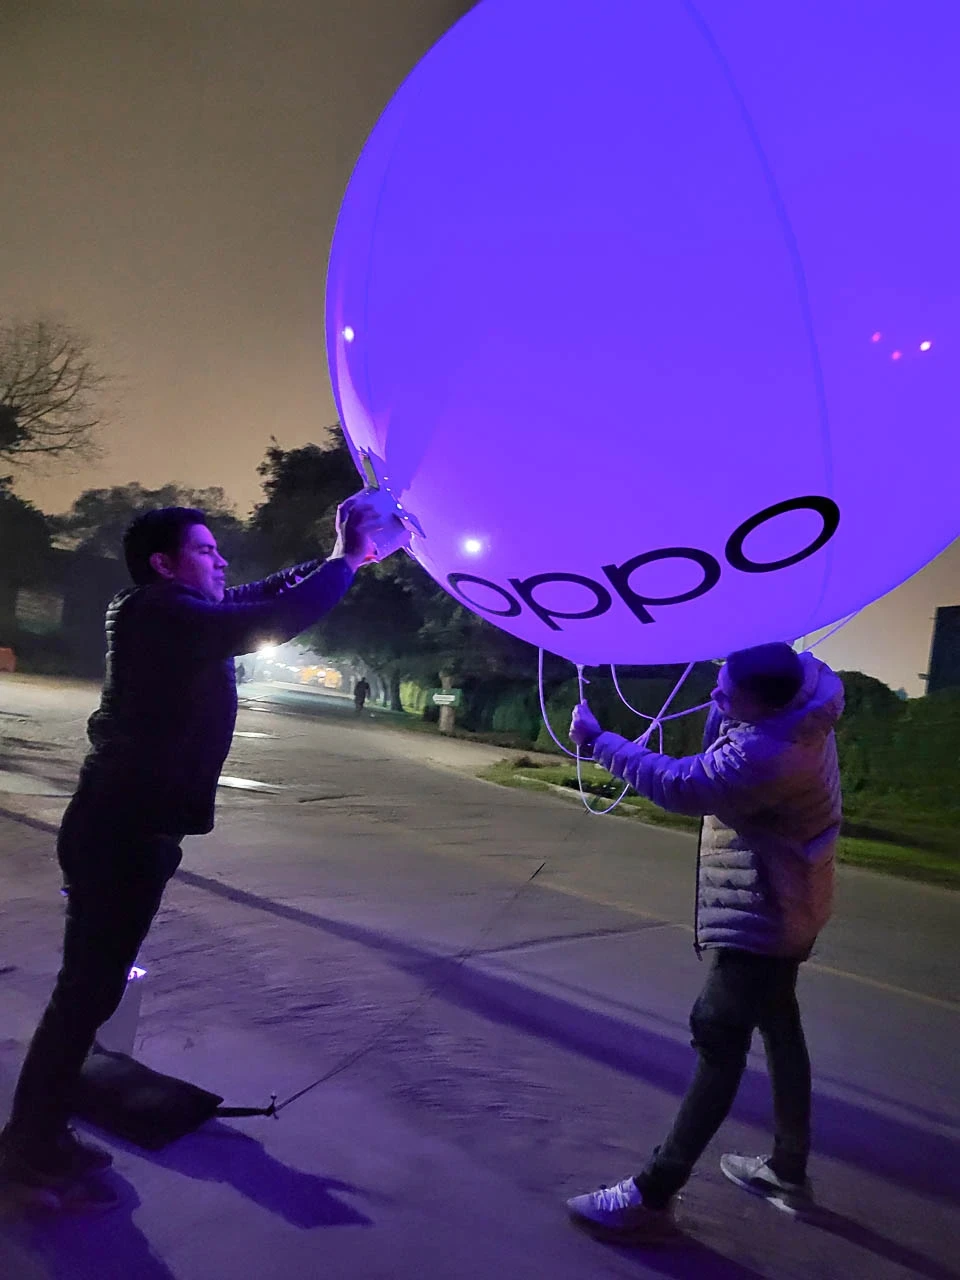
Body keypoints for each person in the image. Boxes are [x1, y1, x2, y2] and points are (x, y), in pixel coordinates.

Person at [0, 496, 382, 1209]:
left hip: (131, 830)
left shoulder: (178, 614)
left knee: (91, 994)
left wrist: (343, 562)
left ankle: (39, 1136)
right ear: (164, 564)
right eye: (206, 551)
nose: (222, 560)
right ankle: (25, 1150)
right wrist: (343, 558)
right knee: (82, 997)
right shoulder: (161, 614)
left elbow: (260, 595)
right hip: (120, 831)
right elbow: (267, 619)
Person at [565, 642, 843, 1243]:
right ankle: (788, 1168)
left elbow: (681, 784)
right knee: (779, 1024)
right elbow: (724, 729)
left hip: (763, 913)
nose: (714, 696)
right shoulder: (801, 705)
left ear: (762, 705)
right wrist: (732, 687)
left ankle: (652, 1194)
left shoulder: (768, 754)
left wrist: (598, 740)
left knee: (718, 1038)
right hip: (794, 899)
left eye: (727, 693)